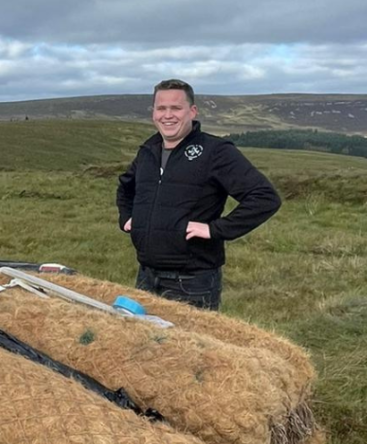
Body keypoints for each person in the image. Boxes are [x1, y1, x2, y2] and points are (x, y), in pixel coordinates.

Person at [115, 79, 281, 310]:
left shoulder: (215, 151)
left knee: (190, 346)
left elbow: (264, 197)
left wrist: (214, 229)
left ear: (192, 111)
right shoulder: (148, 150)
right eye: (161, 108)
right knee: (147, 344)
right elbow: (126, 187)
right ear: (153, 112)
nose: (168, 115)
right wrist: (127, 218)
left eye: (176, 108)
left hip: (192, 283)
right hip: (146, 275)